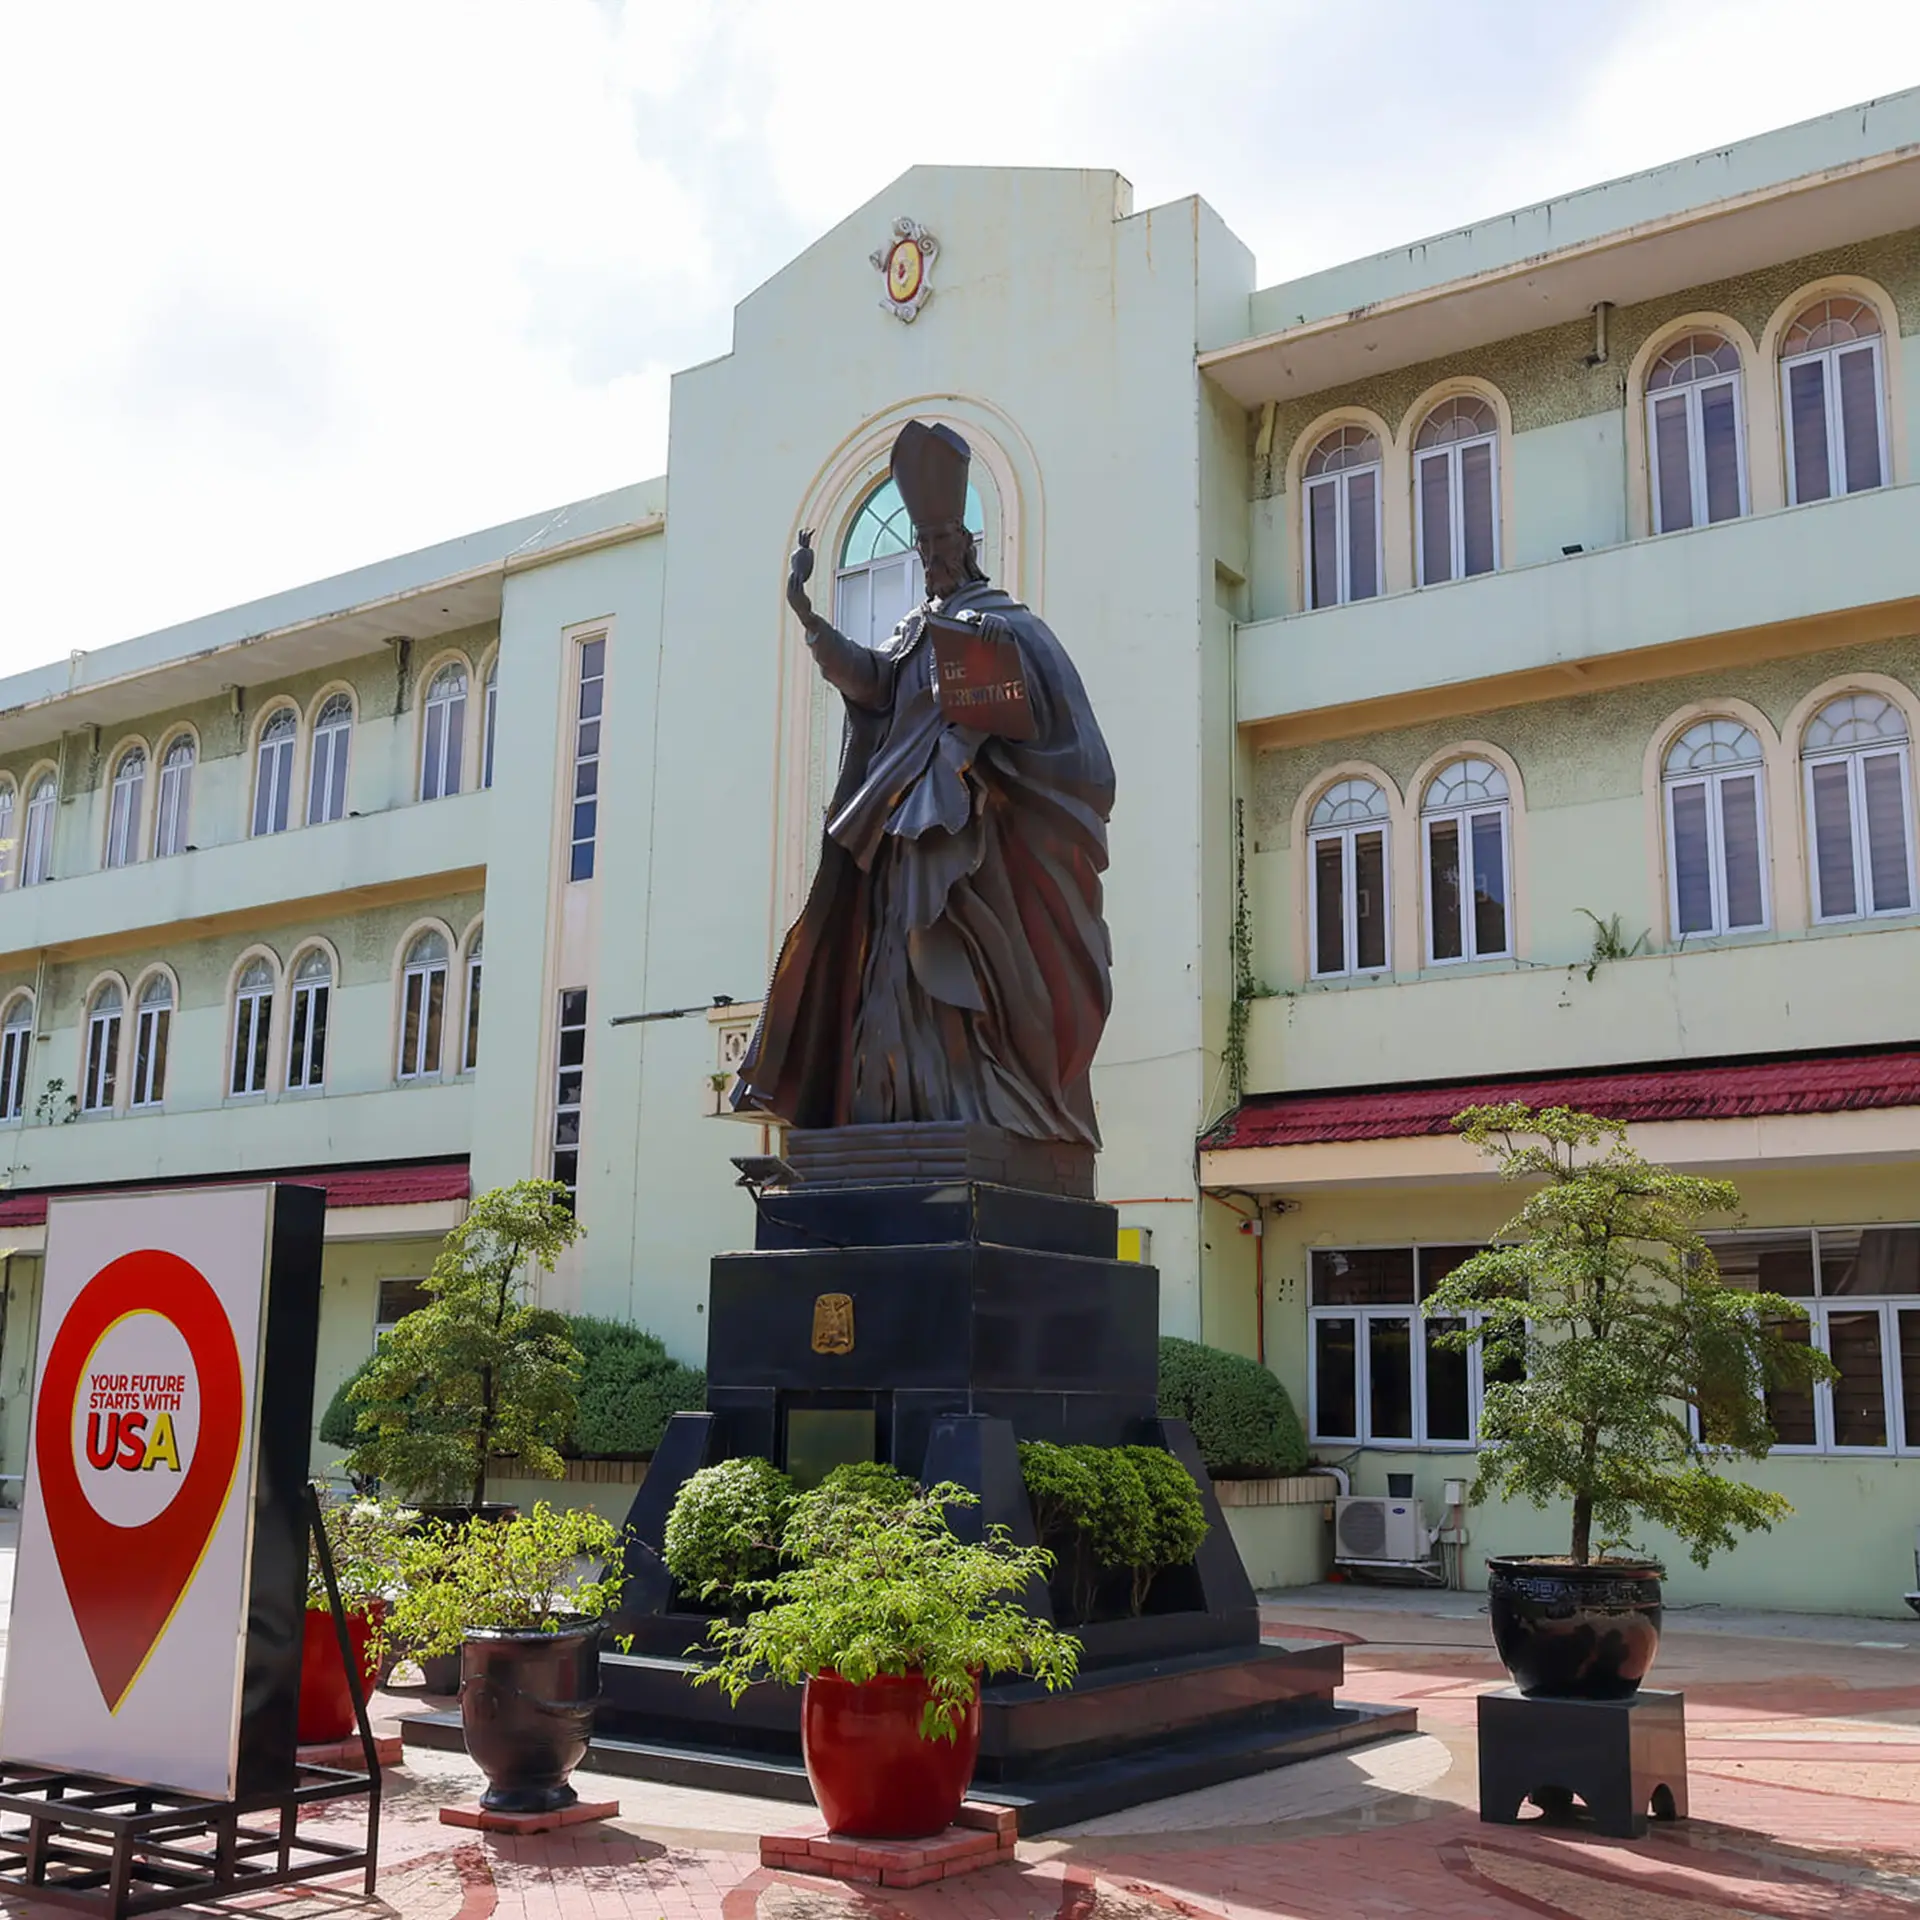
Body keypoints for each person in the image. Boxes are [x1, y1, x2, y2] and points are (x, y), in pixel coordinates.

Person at [733, 421, 1114, 1146]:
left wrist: (991, 730)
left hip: (972, 856)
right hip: (898, 836)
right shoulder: (916, 629)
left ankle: (972, 1101)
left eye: (946, 543)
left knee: (950, 971)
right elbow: (875, 683)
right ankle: (892, 1106)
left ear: (969, 546)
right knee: (890, 974)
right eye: (926, 545)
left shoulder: (1011, 628)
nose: (935, 556)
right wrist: (810, 618)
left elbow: (1061, 740)